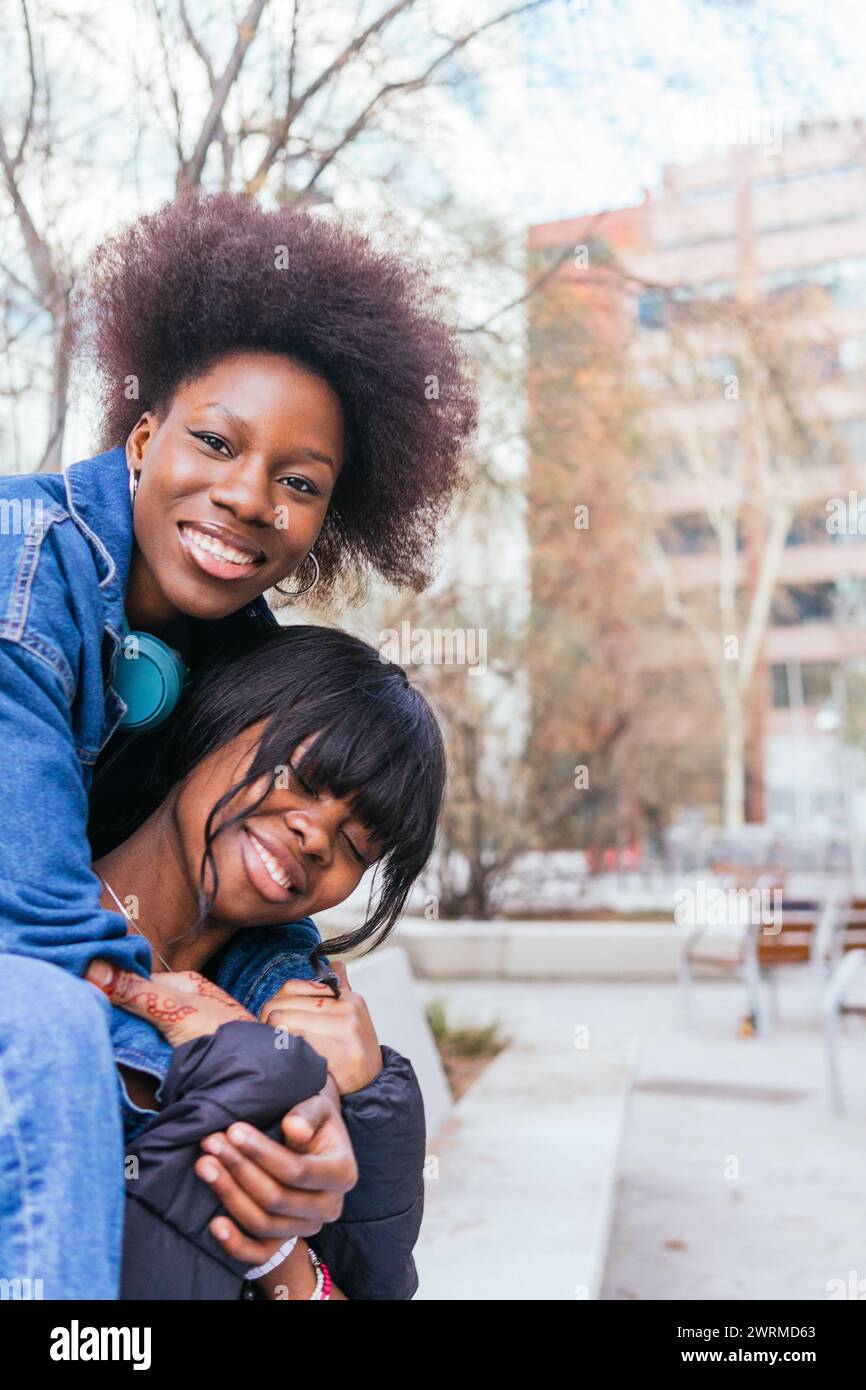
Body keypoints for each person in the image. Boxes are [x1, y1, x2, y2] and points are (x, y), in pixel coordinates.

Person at [0, 187, 477, 1298]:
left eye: (300, 483)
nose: (249, 497)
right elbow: (34, 917)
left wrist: (319, 1085)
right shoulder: (21, 564)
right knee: (49, 1024)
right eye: (216, 441)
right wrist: (217, 1039)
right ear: (142, 436)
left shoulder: (238, 656)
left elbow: (262, 908)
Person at [85, 622, 444, 1300]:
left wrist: (364, 1094)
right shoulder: (33, 924)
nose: (316, 837)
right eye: (297, 779)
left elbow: (371, 1284)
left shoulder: (300, 1011)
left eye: (356, 846)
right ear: (217, 721)